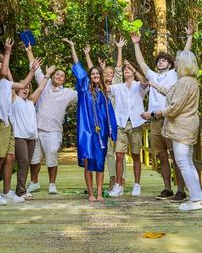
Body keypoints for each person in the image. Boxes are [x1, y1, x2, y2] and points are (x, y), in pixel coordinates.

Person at [131, 24, 193, 202]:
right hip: (154, 120)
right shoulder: (152, 76)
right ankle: (167, 188)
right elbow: (141, 63)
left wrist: (189, 36)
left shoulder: (175, 74)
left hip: (170, 119)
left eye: (164, 60)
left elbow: (185, 56)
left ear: (171, 64)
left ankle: (181, 190)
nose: (161, 62)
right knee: (162, 156)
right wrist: (136, 44)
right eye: (159, 60)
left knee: (176, 156)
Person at [142, 51, 201, 211]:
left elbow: (174, 107)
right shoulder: (188, 81)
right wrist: (154, 85)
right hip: (187, 126)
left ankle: (196, 199)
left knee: (183, 162)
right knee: (187, 162)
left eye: (177, 61)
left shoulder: (185, 83)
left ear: (183, 64)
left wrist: (153, 113)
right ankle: (198, 197)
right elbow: (170, 92)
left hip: (182, 127)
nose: (175, 63)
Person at [0, 38, 40, 205]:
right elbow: (2, 73)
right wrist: (7, 52)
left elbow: (23, 84)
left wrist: (33, 70)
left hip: (9, 123)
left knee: (10, 158)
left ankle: (7, 192)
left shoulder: (6, 83)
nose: (0, 64)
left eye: (1, 62)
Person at [63, 38, 117, 202]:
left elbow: (110, 115)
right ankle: (91, 193)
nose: (94, 75)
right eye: (92, 73)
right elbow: (78, 64)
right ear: (89, 76)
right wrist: (73, 47)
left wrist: (111, 132)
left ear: (99, 76)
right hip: (86, 132)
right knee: (88, 162)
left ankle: (99, 193)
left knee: (99, 163)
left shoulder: (103, 94)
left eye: (96, 74)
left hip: (100, 133)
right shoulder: (83, 86)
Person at [25, 45, 77, 194]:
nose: (59, 76)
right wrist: (29, 51)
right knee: (34, 159)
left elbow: (84, 95)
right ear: (53, 75)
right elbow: (35, 68)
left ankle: (52, 184)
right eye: (57, 74)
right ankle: (34, 182)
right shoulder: (45, 83)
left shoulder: (68, 93)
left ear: (64, 80)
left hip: (53, 131)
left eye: (62, 76)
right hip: (35, 128)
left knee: (52, 156)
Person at [83, 38, 127, 190]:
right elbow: (91, 71)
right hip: (103, 124)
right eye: (106, 72)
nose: (108, 74)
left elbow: (119, 68)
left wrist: (119, 48)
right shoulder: (98, 88)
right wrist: (88, 55)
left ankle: (122, 180)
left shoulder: (117, 85)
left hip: (118, 122)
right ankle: (112, 177)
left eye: (111, 72)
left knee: (120, 152)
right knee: (108, 153)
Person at [12, 64, 55, 200]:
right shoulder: (14, 100)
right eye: (23, 87)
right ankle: (20, 191)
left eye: (27, 87)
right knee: (24, 161)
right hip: (19, 137)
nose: (25, 89)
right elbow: (9, 80)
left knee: (27, 162)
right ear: (17, 90)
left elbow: (41, 87)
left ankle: (21, 189)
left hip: (32, 137)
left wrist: (47, 74)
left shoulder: (31, 101)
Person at [107, 60, 149, 197]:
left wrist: (134, 69)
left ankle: (137, 184)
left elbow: (145, 83)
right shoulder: (118, 87)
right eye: (125, 69)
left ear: (133, 72)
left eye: (129, 69)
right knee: (119, 155)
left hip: (136, 123)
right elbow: (105, 88)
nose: (126, 70)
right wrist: (101, 73)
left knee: (136, 155)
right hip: (121, 124)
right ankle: (118, 185)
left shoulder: (138, 86)